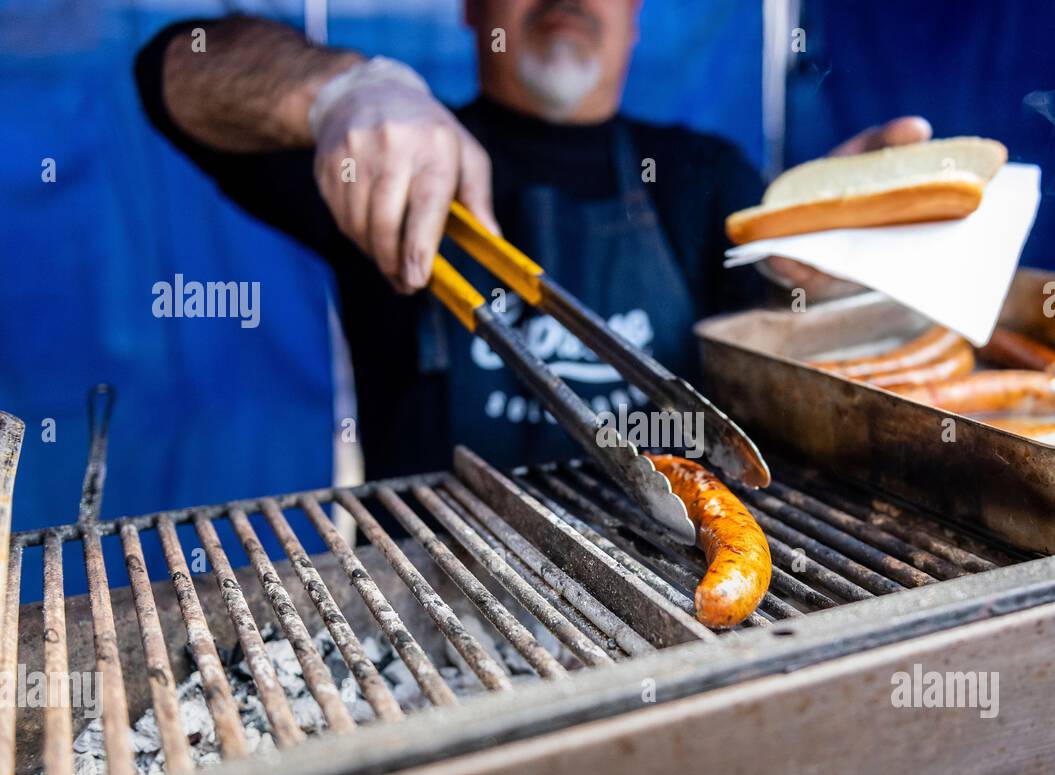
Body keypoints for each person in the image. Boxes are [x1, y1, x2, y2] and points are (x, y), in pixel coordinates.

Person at [135, 0, 928, 478]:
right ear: (472, 8)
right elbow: (171, 74)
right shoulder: (385, 156)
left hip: (674, 602)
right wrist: (339, 90)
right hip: (435, 620)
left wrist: (823, 274)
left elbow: (773, 392)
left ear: (637, 14)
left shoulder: (704, 176)